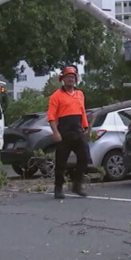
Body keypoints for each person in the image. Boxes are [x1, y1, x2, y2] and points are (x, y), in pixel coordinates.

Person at [47, 66, 89, 199]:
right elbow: (51, 117)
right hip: (64, 133)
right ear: (63, 79)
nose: (71, 79)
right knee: (61, 162)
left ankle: (77, 184)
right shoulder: (56, 96)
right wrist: (55, 132)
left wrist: (86, 127)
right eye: (68, 77)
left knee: (85, 157)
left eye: (73, 77)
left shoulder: (80, 94)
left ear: (76, 79)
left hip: (78, 132)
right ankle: (58, 188)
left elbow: (82, 112)